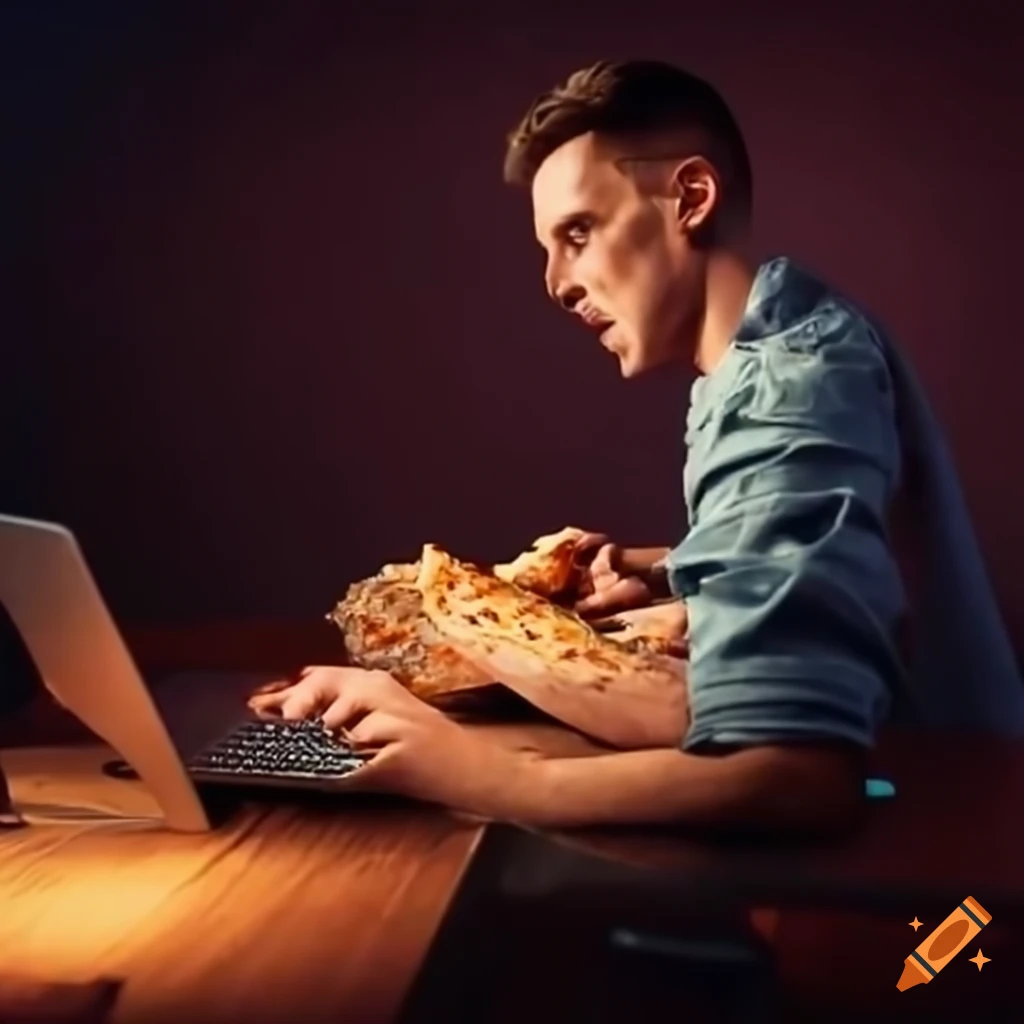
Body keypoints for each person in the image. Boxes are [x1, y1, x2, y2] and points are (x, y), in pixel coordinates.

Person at [254, 61, 1024, 832]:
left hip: (933, 880)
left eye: (579, 234)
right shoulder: (783, 345)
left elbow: (795, 776)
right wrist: (662, 572)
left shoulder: (786, 388)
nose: (557, 283)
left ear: (690, 198)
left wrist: (467, 768)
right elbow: (829, 557)